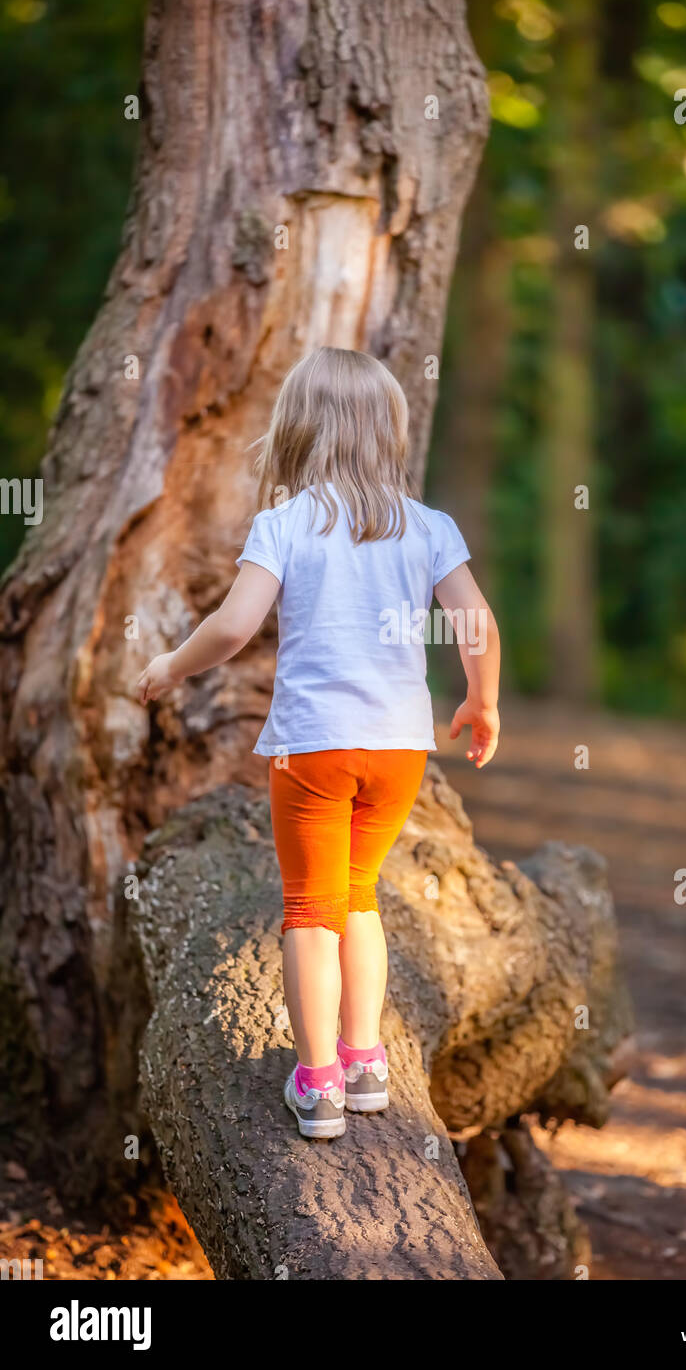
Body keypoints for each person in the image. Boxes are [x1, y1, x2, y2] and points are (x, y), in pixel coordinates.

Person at [137, 346, 500, 1138]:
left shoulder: (287, 524)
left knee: (309, 910)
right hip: (399, 749)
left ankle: (318, 1081)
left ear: (299, 431)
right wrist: (482, 701)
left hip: (313, 748)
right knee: (359, 895)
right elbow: (476, 621)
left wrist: (171, 663)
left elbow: (234, 627)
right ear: (389, 432)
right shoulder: (427, 527)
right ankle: (366, 1060)